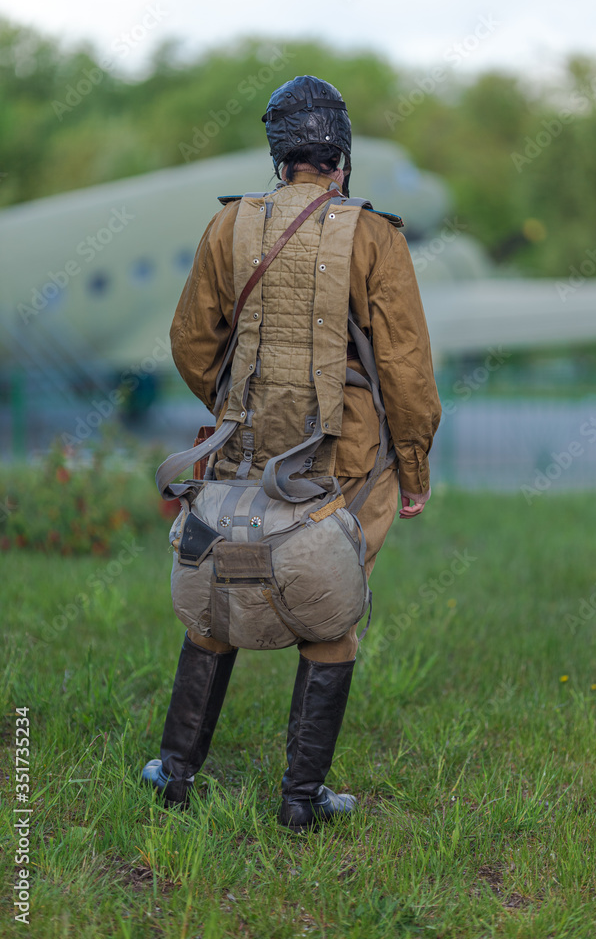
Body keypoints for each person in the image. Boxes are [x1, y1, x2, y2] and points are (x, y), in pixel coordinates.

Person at [142, 75, 441, 830]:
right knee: (331, 610)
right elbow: (405, 369)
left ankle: (176, 772)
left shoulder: (229, 227)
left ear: (279, 158)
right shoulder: (376, 235)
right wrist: (413, 467)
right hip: (349, 456)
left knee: (221, 587)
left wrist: (236, 406)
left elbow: (189, 341)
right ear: (340, 158)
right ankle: (300, 799)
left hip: (241, 444)